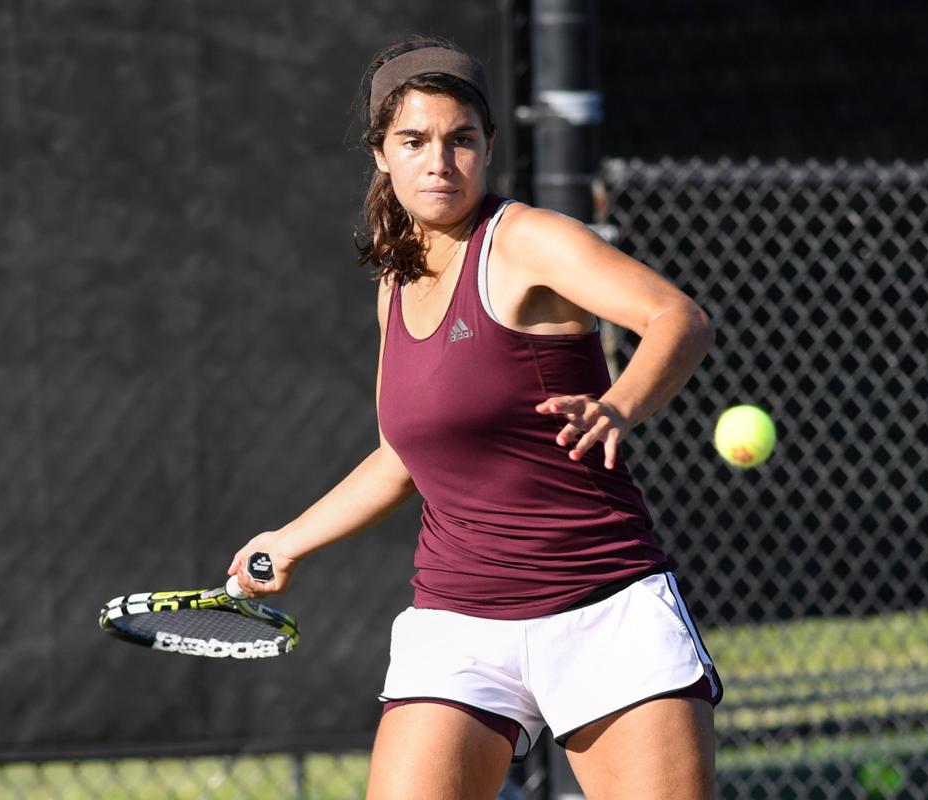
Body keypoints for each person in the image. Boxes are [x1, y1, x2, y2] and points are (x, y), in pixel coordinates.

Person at [228, 35, 721, 800]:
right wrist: (290, 540)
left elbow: (676, 318)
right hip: (457, 625)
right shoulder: (394, 283)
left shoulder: (527, 241)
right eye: (414, 141)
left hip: (601, 607)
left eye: (462, 140)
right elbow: (401, 455)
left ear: (488, 148)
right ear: (381, 154)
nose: (440, 162)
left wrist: (620, 404)